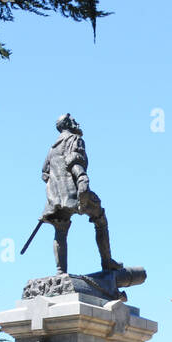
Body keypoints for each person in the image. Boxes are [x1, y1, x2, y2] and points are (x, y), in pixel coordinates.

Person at [39, 113, 127, 275]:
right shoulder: (74, 139)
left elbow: (44, 173)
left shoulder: (52, 148)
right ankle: (107, 262)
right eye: (72, 120)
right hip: (75, 193)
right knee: (100, 218)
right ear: (66, 124)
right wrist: (81, 180)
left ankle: (61, 271)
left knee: (60, 228)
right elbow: (75, 162)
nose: (76, 122)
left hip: (56, 199)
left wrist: (56, 190)